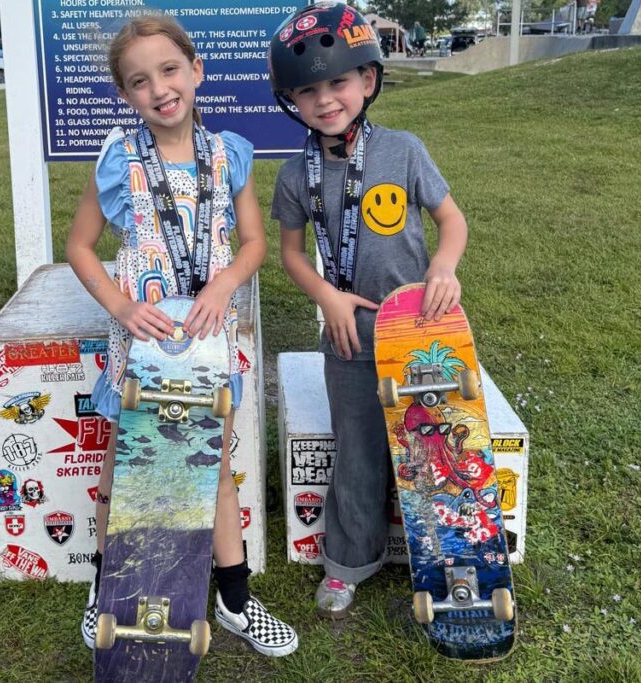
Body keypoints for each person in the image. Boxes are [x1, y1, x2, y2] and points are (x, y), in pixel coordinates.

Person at [66, 13, 298, 657]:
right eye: (139, 81)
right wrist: (119, 305)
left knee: (214, 468)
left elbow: (253, 244)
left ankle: (234, 599)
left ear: (196, 71)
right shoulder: (117, 158)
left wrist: (222, 285)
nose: (159, 89)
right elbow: (81, 247)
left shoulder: (230, 154)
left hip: (205, 340)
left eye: (169, 70)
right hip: (141, 343)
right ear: (125, 95)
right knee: (127, 468)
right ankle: (106, 589)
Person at [267, 3, 469, 619]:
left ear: (368, 81)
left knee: (433, 445)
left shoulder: (404, 151)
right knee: (356, 451)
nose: (326, 100)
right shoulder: (293, 173)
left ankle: (448, 555)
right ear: (291, 101)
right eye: (309, 90)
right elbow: (291, 254)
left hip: (419, 331)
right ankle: (349, 562)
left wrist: (443, 267)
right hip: (350, 335)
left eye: (338, 82)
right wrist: (325, 295)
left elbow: (451, 220)